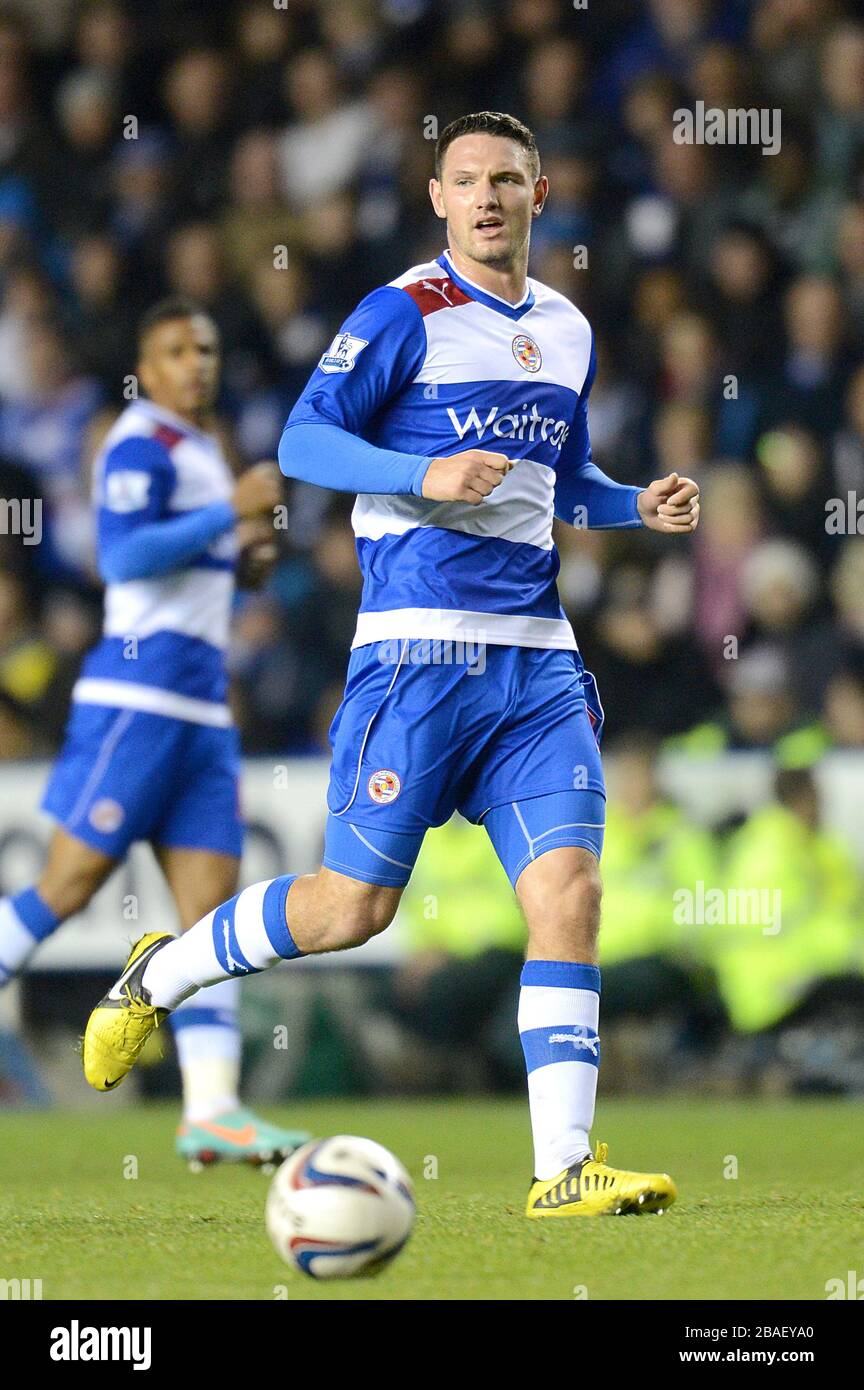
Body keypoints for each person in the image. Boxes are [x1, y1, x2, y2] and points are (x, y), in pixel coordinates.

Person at [83, 113, 699, 1216]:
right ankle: (159, 973)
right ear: (437, 197)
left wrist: (634, 505)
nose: (489, 198)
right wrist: (424, 470)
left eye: (508, 179)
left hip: (537, 663)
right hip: (414, 657)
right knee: (350, 910)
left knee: (570, 891)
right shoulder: (402, 312)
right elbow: (303, 444)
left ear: (541, 193)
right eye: (468, 181)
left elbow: (563, 484)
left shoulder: (566, 327)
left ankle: (563, 1166)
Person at [0, 297, 309, 1166]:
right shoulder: (138, 440)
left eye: (206, 348)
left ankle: (211, 1108)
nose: (196, 364)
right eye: (175, 349)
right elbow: (125, 557)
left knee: (206, 918)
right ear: (148, 361)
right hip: (136, 700)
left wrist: (240, 563)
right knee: (66, 886)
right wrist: (230, 517)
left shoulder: (203, 452)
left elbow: (186, 562)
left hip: (203, 709)